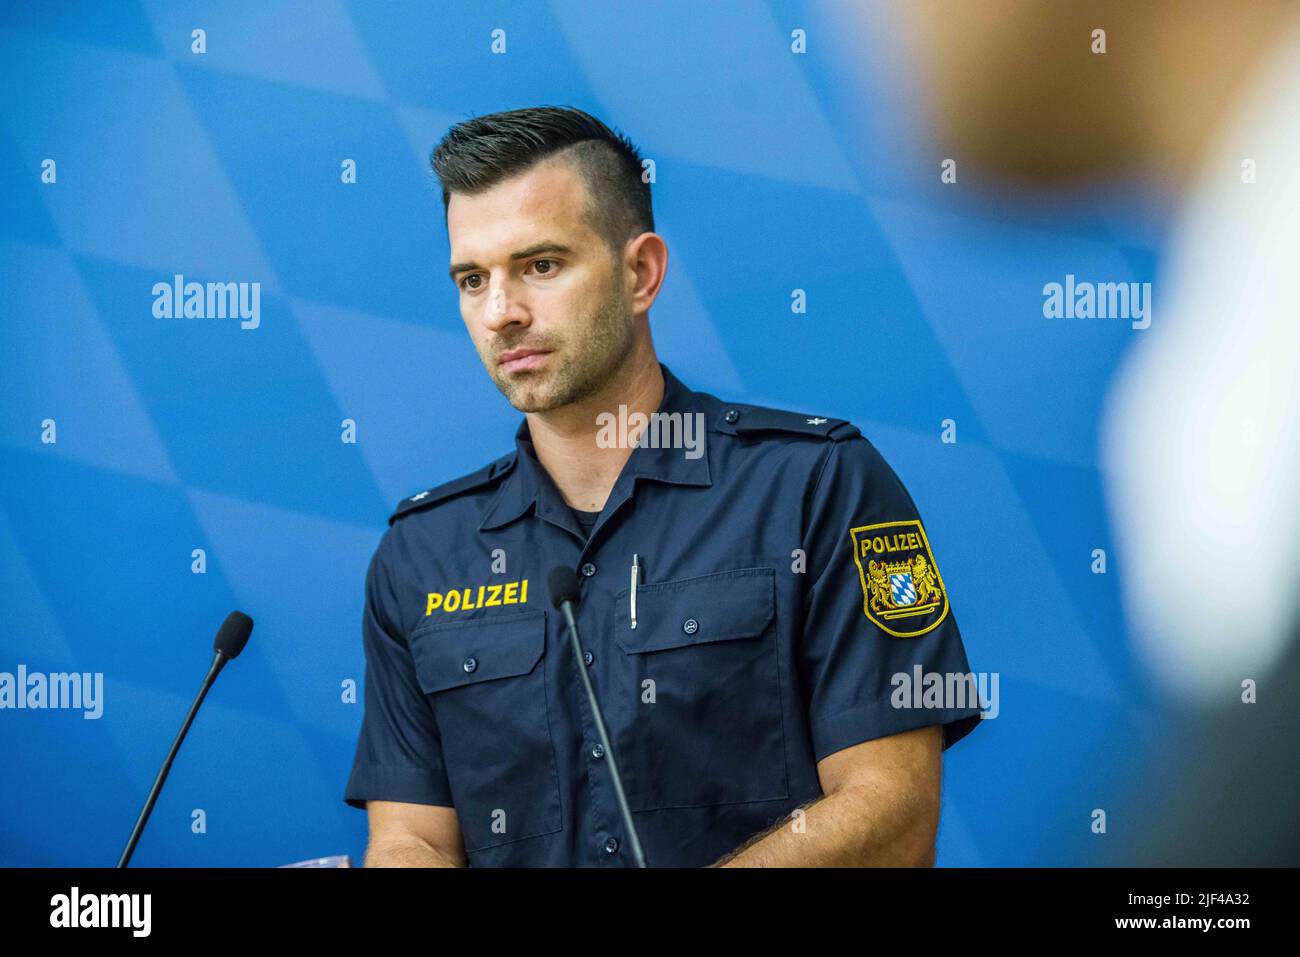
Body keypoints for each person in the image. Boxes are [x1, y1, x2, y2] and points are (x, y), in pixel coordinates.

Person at [343, 106, 983, 867]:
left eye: (540, 266)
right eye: (472, 278)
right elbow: (410, 837)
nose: (501, 313)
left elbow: (893, 814)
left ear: (640, 272)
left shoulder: (818, 484)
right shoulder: (422, 553)